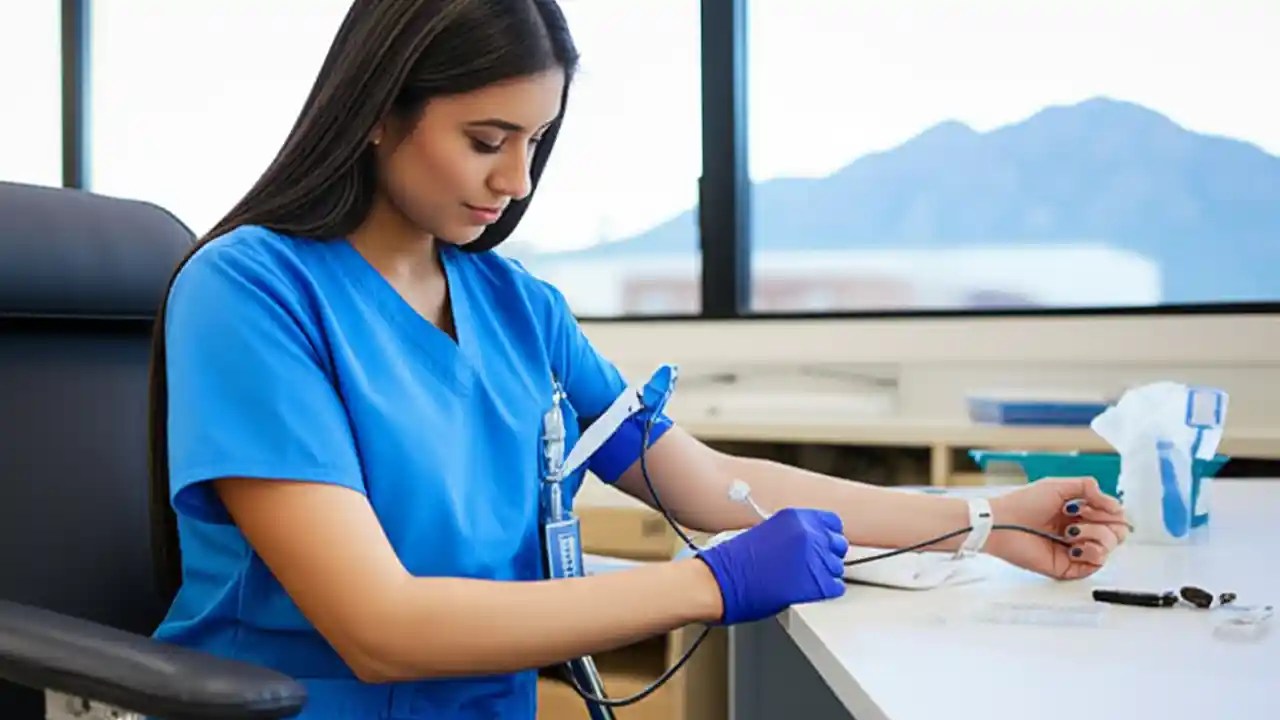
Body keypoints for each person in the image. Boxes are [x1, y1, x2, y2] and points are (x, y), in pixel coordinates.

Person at [146, 1, 1131, 718]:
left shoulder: (515, 306)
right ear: (376, 111)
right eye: (485, 139)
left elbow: (717, 487)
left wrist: (978, 521)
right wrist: (709, 585)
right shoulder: (251, 291)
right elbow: (380, 627)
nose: (517, 179)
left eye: (536, 140)